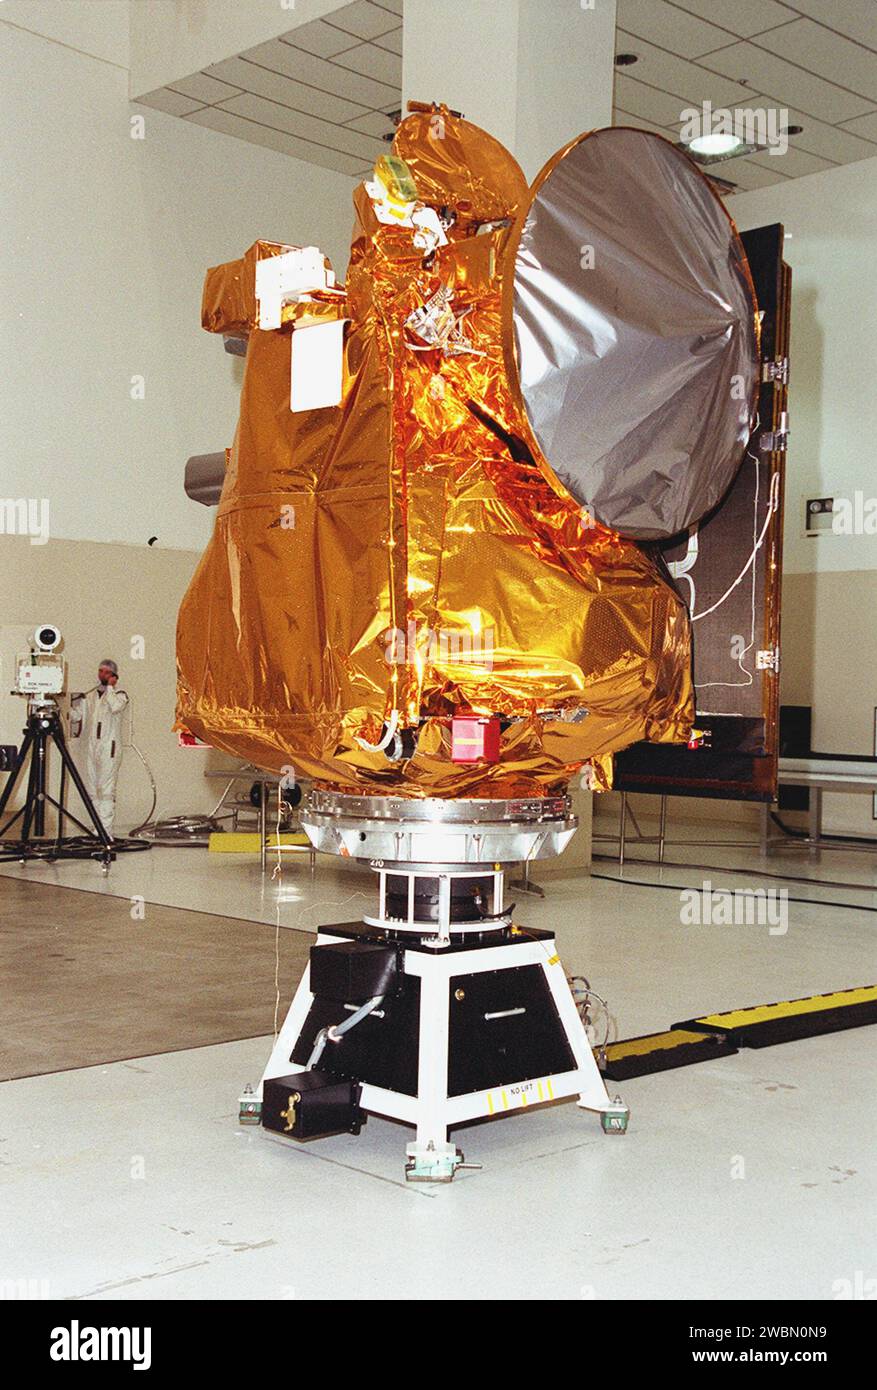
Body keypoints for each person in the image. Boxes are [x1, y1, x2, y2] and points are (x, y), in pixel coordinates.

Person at [72, 660, 129, 838]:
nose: (102, 674)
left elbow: (115, 707)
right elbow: (76, 717)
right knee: (92, 789)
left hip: (109, 748)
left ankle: (106, 831)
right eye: (100, 671)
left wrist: (110, 688)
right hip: (92, 748)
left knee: (106, 790)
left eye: (106, 672)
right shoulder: (89, 697)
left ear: (113, 675)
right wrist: (64, 706)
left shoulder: (120, 695)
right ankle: (97, 827)